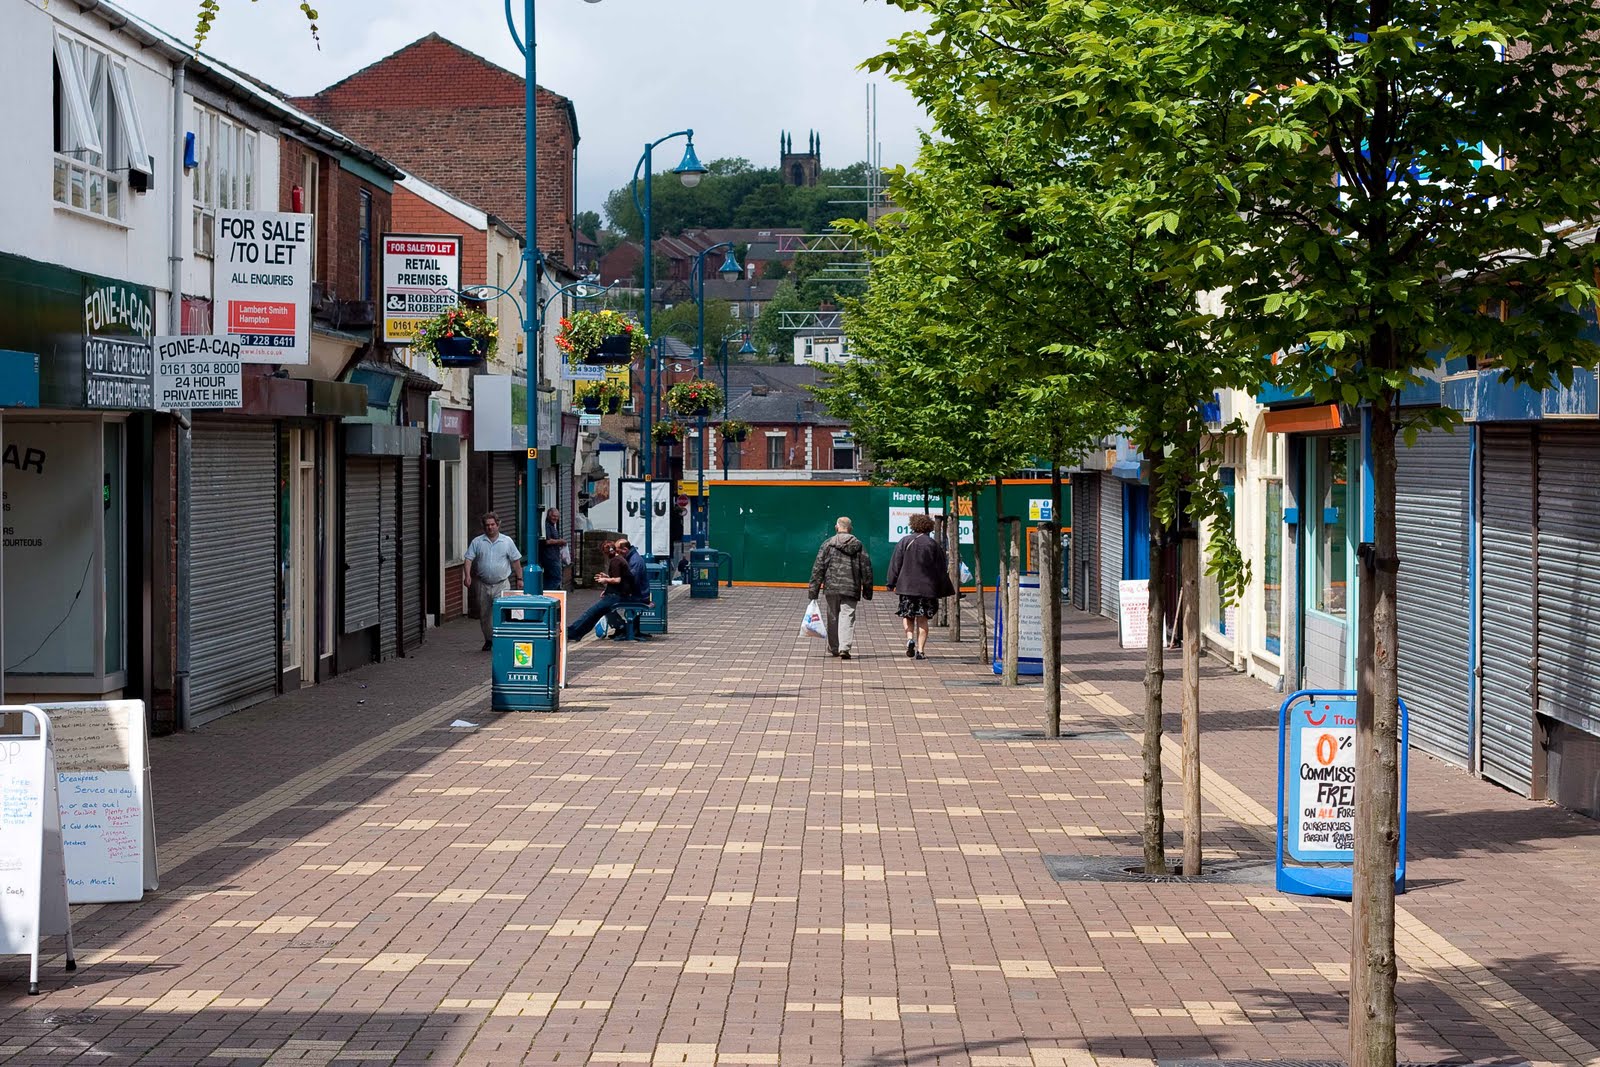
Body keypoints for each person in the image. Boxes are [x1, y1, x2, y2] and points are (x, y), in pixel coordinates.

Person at [886, 512, 954, 661]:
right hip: (927, 588)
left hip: (906, 587)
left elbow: (895, 564)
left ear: (913, 525)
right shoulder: (933, 545)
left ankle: (910, 638)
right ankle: (921, 651)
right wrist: (942, 589)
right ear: (929, 527)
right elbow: (941, 568)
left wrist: (891, 582)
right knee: (922, 620)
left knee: (907, 615)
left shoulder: (904, 541)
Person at [807, 516, 874, 660]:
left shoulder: (828, 544)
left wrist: (813, 591)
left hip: (832, 587)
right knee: (847, 616)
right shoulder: (859, 545)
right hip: (851, 587)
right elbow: (866, 568)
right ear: (850, 528)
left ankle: (835, 647)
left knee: (833, 617)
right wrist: (867, 591)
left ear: (837, 527)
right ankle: (845, 647)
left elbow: (818, 568)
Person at [566, 537, 648, 643]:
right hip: (618, 593)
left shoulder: (616, 561)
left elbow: (618, 580)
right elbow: (622, 577)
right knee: (595, 613)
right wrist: (608, 578)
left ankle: (573, 632)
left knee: (592, 612)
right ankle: (576, 633)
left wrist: (605, 579)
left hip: (618, 595)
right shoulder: (622, 559)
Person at [463, 512, 522, 651]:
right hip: (483, 584)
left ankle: (502, 639)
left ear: (498, 525)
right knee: (484, 614)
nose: (490, 528)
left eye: (492, 525)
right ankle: (489, 640)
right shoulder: (477, 542)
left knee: (502, 612)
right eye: (487, 525)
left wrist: (519, 579)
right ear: (484, 526)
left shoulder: (507, 541)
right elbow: (468, 559)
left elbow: (516, 561)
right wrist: (467, 576)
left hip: (501, 583)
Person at [540, 508, 567, 592]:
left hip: (553, 556)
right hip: (550, 558)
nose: (555, 518)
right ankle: (549, 596)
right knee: (556, 578)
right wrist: (560, 541)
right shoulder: (547, 526)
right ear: (548, 515)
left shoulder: (552, 526)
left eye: (557, 516)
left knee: (548, 579)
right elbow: (547, 541)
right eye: (553, 516)